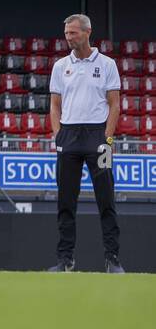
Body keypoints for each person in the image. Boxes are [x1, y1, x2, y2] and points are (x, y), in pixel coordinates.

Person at [48, 14, 122, 273]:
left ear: (88, 32)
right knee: (65, 202)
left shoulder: (108, 64)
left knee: (106, 200)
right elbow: (54, 105)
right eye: (67, 33)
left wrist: (108, 139)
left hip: (97, 136)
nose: (69, 38)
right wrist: (58, 134)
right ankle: (65, 260)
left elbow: (114, 104)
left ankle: (112, 259)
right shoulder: (60, 66)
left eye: (73, 33)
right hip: (68, 136)